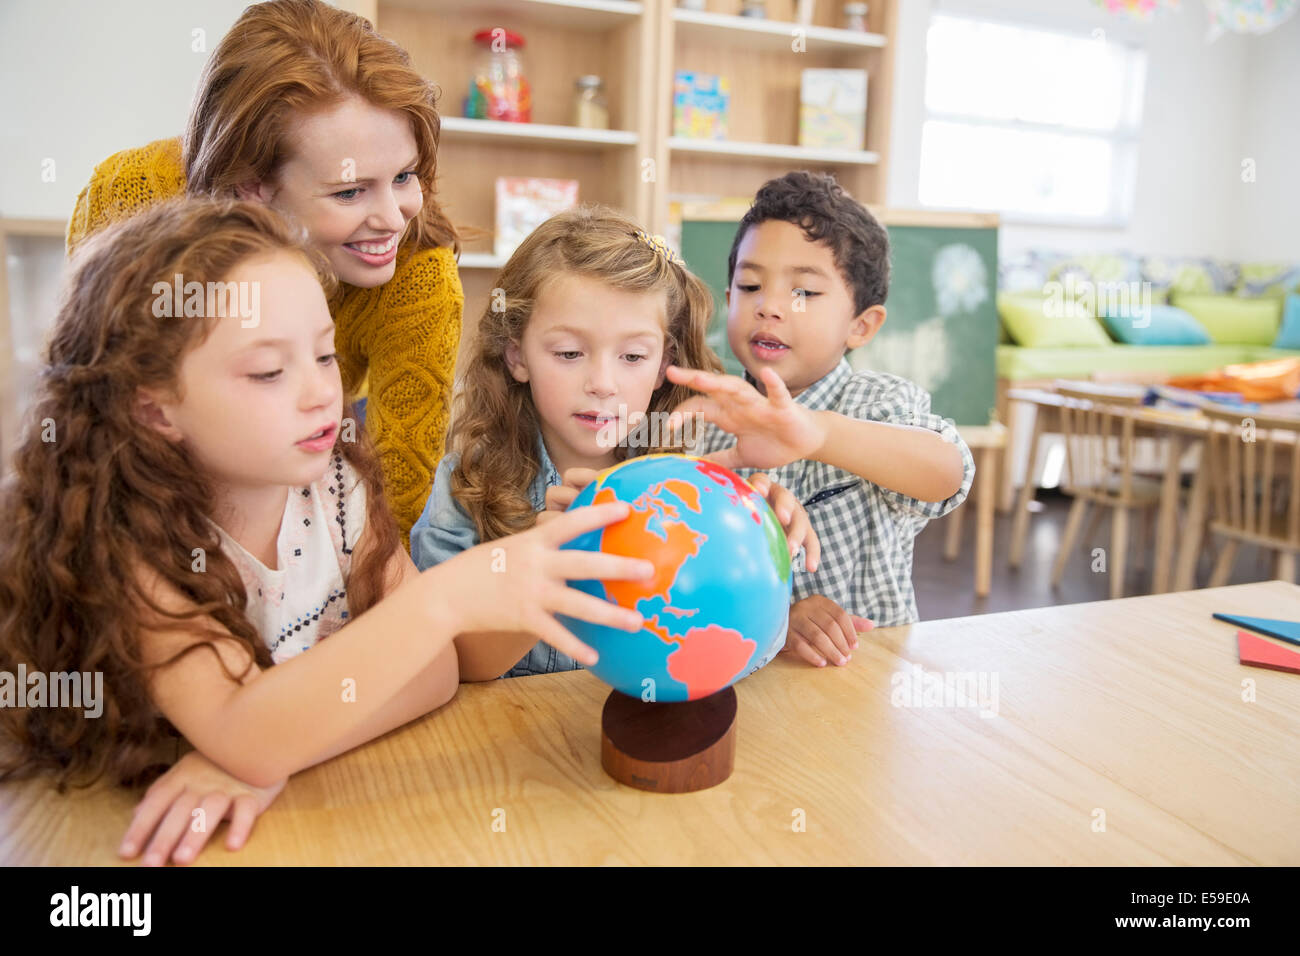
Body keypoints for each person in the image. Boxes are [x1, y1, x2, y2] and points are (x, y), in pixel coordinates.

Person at [0, 199, 654, 865]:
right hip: (120, 826)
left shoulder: (336, 487)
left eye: (324, 355)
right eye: (268, 372)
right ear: (156, 408)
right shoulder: (130, 534)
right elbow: (242, 729)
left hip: (307, 816)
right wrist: (444, 600)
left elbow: (434, 675)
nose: (320, 393)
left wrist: (277, 745)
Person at [65, 0, 462, 547]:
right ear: (251, 185)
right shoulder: (132, 199)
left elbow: (395, 507)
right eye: (349, 191)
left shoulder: (419, 275)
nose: (394, 220)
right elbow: (89, 401)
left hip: (332, 431)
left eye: (405, 176)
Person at [410, 205, 821, 681]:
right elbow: (445, 665)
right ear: (517, 356)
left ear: (664, 360)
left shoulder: (697, 489)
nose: (603, 383)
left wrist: (760, 546)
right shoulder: (467, 485)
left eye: (632, 355)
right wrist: (550, 566)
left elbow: (740, 654)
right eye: (569, 353)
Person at [667, 171, 976, 667]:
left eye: (804, 293)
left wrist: (819, 433)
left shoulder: (878, 404)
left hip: (863, 692)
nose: (768, 306)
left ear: (861, 325)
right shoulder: (705, 419)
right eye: (750, 286)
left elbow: (948, 475)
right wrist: (781, 618)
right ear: (728, 302)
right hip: (740, 685)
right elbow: (684, 575)